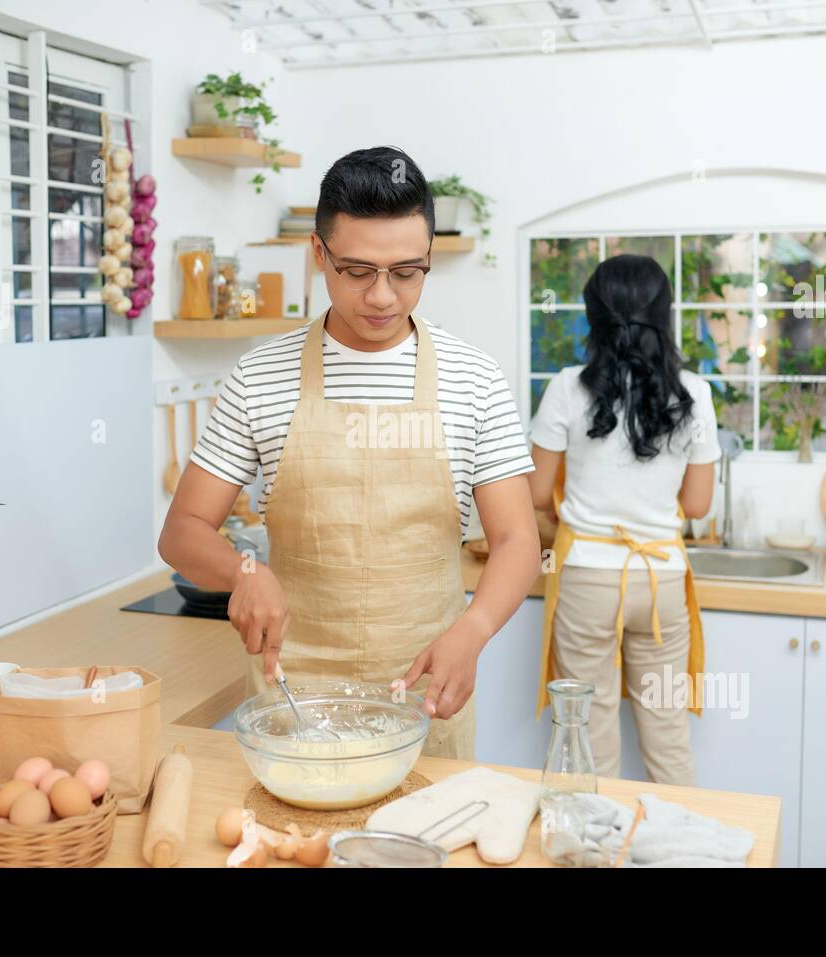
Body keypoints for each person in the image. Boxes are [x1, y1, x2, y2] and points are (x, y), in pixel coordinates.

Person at [158, 146, 540, 759]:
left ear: (429, 259)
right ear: (319, 255)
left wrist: (475, 629)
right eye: (358, 271)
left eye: (407, 272)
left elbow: (519, 540)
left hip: (424, 691)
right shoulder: (260, 376)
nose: (383, 296)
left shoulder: (474, 378)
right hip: (294, 699)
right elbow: (182, 530)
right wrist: (243, 572)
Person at [526, 254, 720, 784]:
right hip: (661, 581)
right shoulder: (695, 394)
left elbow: (536, 492)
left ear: (593, 314)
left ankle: (594, 853)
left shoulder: (567, 387)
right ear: (666, 314)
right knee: (668, 735)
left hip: (589, 577)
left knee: (589, 735)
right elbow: (699, 506)